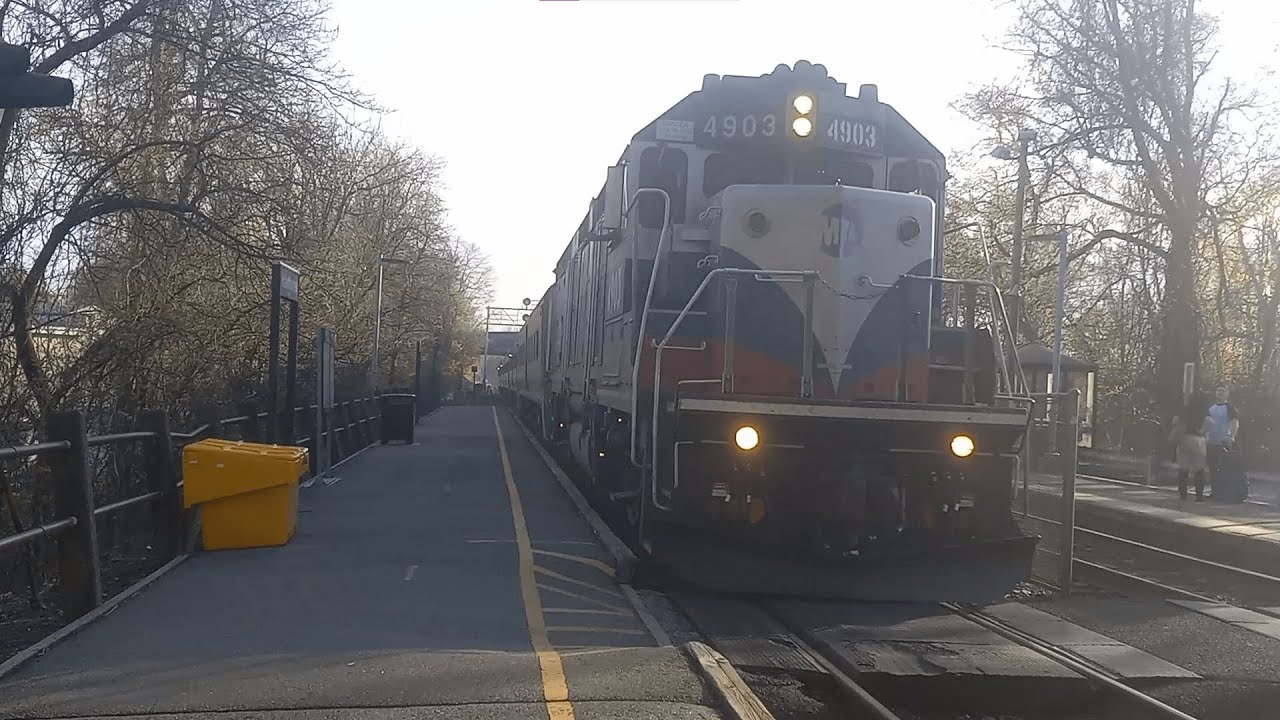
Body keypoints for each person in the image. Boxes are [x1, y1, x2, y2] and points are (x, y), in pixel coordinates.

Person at [1205, 385, 1241, 499]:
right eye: (1218, 390)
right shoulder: (1211, 408)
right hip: (1211, 442)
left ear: (1227, 394)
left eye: (1223, 391)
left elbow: (1235, 423)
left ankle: (1224, 492)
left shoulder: (1230, 408)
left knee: (1223, 468)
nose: (1220, 392)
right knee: (1212, 468)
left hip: (1224, 442)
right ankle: (1214, 492)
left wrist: (1231, 437)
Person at [1169, 409, 1208, 502]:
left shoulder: (1183, 408)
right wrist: (1202, 431)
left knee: (1183, 468)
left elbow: (1174, 421)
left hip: (1184, 439)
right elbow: (1209, 420)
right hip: (1197, 440)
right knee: (1199, 469)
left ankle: (1183, 495)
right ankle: (1199, 496)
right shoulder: (1202, 407)